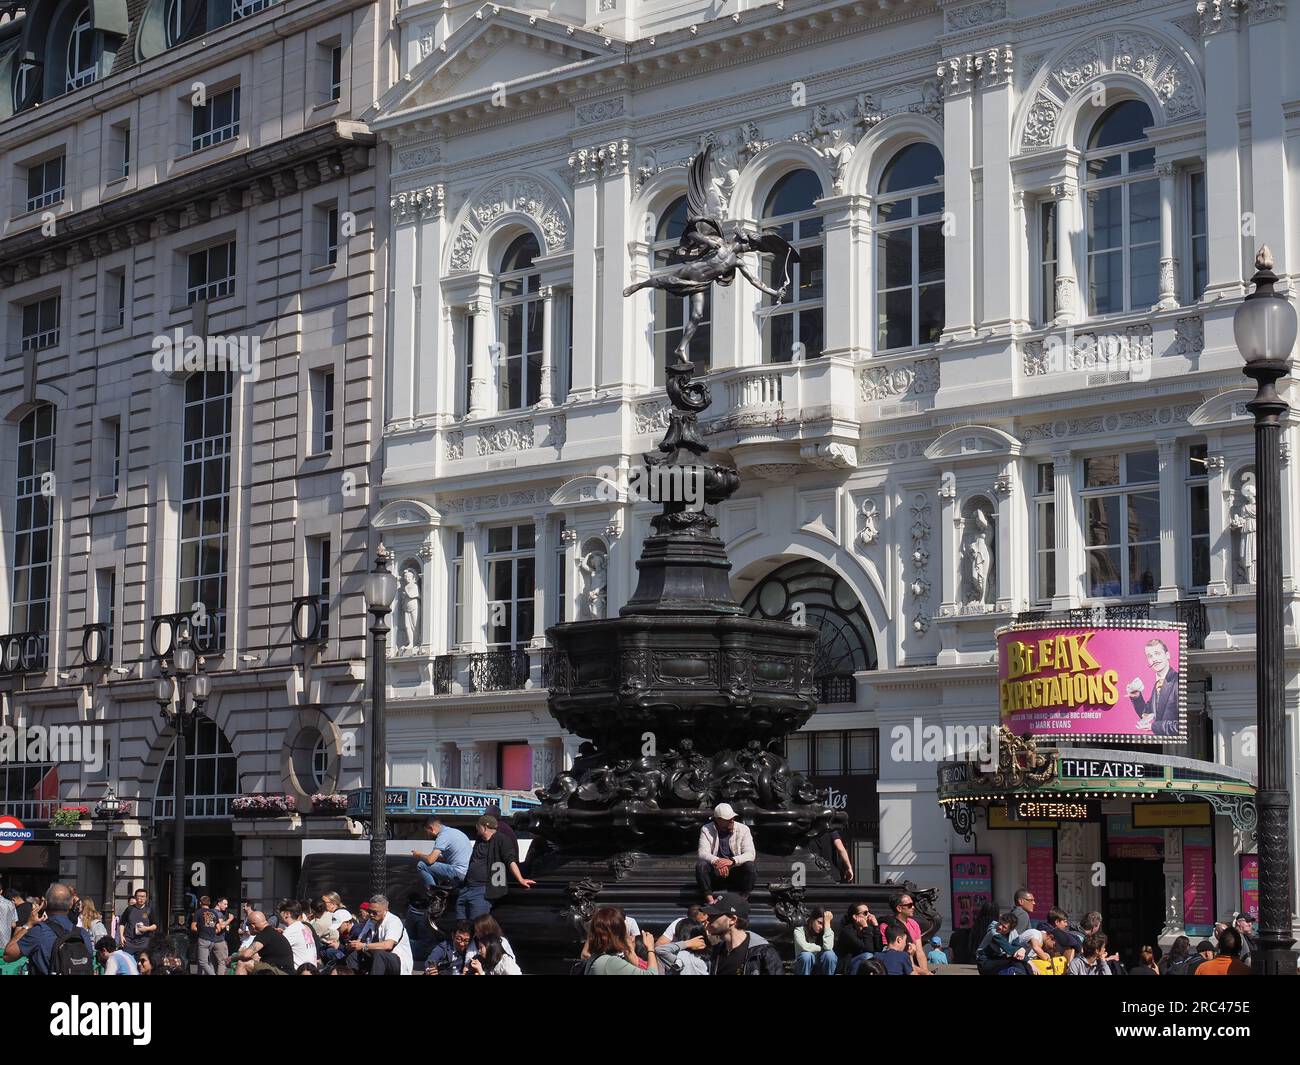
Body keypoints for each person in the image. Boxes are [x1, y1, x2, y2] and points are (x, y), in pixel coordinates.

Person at [456, 815, 535, 922]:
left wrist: (520, 879)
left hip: (483, 889)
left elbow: (510, 860)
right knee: (460, 923)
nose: (475, 827)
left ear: (485, 827)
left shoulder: (502, 839)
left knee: (477, 924)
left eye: (478, 825)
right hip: (467, 887)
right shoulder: (480, 839)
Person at [3, 882, 94, 974]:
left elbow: (8, 955)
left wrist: (28, 925)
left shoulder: (39, 931)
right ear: (71, 904)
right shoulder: (82, 934)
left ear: (45, 904)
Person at [703, 895, 783, 976]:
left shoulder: (763, 952)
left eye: (713, 916)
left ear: (733, 920)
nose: (708, 920)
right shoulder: (714, 952)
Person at [696, 803, 757, 903]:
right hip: (716, 873)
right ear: (718, 819)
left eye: (732, 817)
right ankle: (710, 901)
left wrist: (732, 861)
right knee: (701, 865)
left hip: (736, 872)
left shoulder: (744, 829)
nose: (732, 820)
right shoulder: (706, 829)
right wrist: (718, 861)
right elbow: (702, 853)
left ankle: (742, 900)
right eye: (728, 819)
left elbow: (750, 854)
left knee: (751, 866)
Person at [579, 906, 658, 975]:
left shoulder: (597, 957)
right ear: (619, 933)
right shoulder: (610, 962)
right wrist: (650, 948)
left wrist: (629, 951)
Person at [1126, 637, 1180, 736]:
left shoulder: (1177, 682)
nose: (1154, 659)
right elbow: (1147, 714)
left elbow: (1180, 726)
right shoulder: (1158, 684)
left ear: (1167, 655)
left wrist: (1153, 727)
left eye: (1157, 654)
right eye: (1150, 656)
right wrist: (1137, 697)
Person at [347, 894, 412, 975]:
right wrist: (353, 945)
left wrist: (363, 946)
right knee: (354, 956)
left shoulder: (393, 921)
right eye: (370, 911)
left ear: (386, 909)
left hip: (397, 962)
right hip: (376, 958)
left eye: (375, 912)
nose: (371, 914)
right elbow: (360, 940)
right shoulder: (371, 920)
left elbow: (388, 945)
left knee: (379, 954)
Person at [410, 816, 472, 892]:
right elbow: (447, 858)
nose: (427, 835)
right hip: (467, 872)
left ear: (431, 828)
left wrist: (418, 854)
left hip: (458, 872)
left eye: (427, 832)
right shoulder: (454, 832)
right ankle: (439, 891)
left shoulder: (443, 836)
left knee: (421, 865)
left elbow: (430, 860)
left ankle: (434, 894)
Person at [880, 891, 931, 974]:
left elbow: (919, 951)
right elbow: (893, 956)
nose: (913, 907)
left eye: (913, 904)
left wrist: (925, 971)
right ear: (899, 908)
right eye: (910, 905)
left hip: (914, 967)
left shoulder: (914, 924)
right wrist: (923, 972)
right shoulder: (886, 926)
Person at [235, 910, 294, 975]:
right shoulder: (270, 932)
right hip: (281, 970)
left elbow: (246, 954)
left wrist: (232, 957)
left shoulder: (265, 933)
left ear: (252, 926)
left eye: (247, 924)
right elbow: (254, 955)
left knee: (242, 964)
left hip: (282, 972)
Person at [837, 903, 884, 974]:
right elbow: (868, 950)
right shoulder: (847, 931)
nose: (869, 915)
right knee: (868, 955)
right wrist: (865, 927)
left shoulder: (869, 929)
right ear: (855, 917)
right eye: (865, 913)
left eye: (869, 912)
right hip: (849, 965)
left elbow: (879, 948)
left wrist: (876, 926)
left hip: (865, 963)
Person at [196, 896, 234, 975]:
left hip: (210, 940)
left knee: (210, 962)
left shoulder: (211, 912)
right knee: (222, 962)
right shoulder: (217, 913)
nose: (226, 906)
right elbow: (221, 926)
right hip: (218, 940)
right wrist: (230, 919)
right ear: (219, 904)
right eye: (225, 904)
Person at [277, 899, 319, 970]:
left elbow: (276, 950)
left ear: (287, 914)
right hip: (311, 969)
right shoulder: (302, 927)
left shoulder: (291, 930)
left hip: (300, 971)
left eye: (280, 912)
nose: (278, 915)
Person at [793, 909, 837, 975]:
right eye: (819, 923)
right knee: (806, 955)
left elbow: (828, 947)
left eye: (824, 924)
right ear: (812, 919)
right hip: (803, 967)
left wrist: (827, 925)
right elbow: (804, 946)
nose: (821, 927)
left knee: (830, 955)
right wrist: (822, 948)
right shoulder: (799, 930)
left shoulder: (827, 931)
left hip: (820, 967)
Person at [120, 888, 156, 959]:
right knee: (127, 961)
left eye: (143, 896)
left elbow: (154, 925)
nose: (141, 898)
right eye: (139, 896)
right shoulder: (129, 909)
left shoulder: (149, 910)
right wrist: (121, 936)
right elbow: (122, 923)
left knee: (142, 963)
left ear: (146, 898)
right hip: (129, 942)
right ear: (135, 897)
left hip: (144, 943)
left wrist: (146, 928)